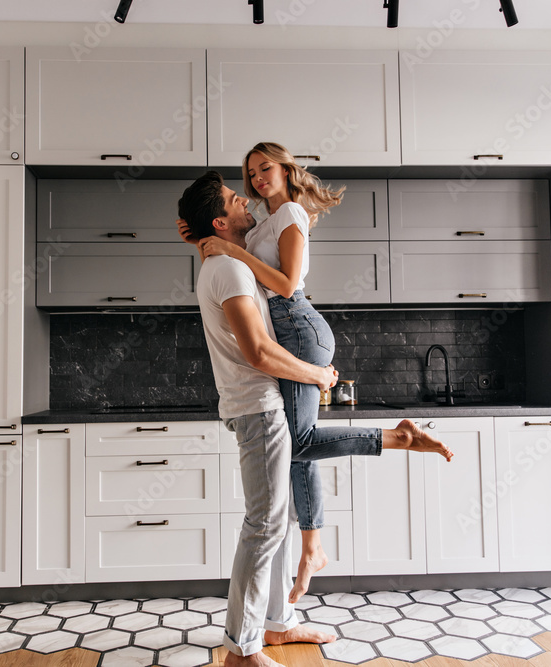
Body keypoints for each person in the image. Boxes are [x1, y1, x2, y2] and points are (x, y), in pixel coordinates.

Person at [179, 171, 453, 667]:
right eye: (234, 199)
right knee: (263, 526)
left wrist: (204, 235)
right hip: (257, 406)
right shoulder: (227, 270)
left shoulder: (229, 260)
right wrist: (318, 375)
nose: (247, 200)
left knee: (277, 523)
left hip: (262, 404)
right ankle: (241, 649)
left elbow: (262, 244)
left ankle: (277, 624)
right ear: (221, 221)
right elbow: (260, 352)